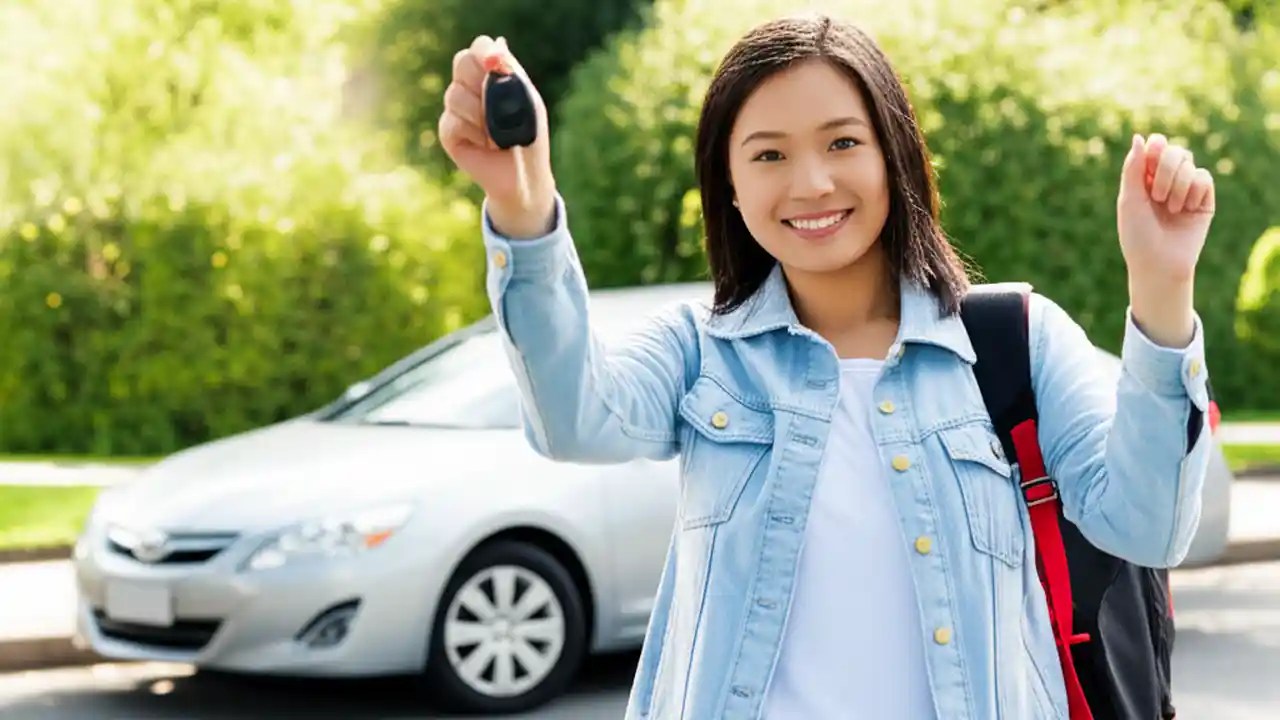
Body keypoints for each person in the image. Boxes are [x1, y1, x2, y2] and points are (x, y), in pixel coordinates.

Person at [438, 14, 1216, 720]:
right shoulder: (700, 351)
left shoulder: (1015, 340)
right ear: (731, 189)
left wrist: (1161, 286)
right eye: (769, 154)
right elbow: (576, 419)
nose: (811, 183)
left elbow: (1146, 527)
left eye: (843, 142)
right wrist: (522, 202)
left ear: (895, 157)